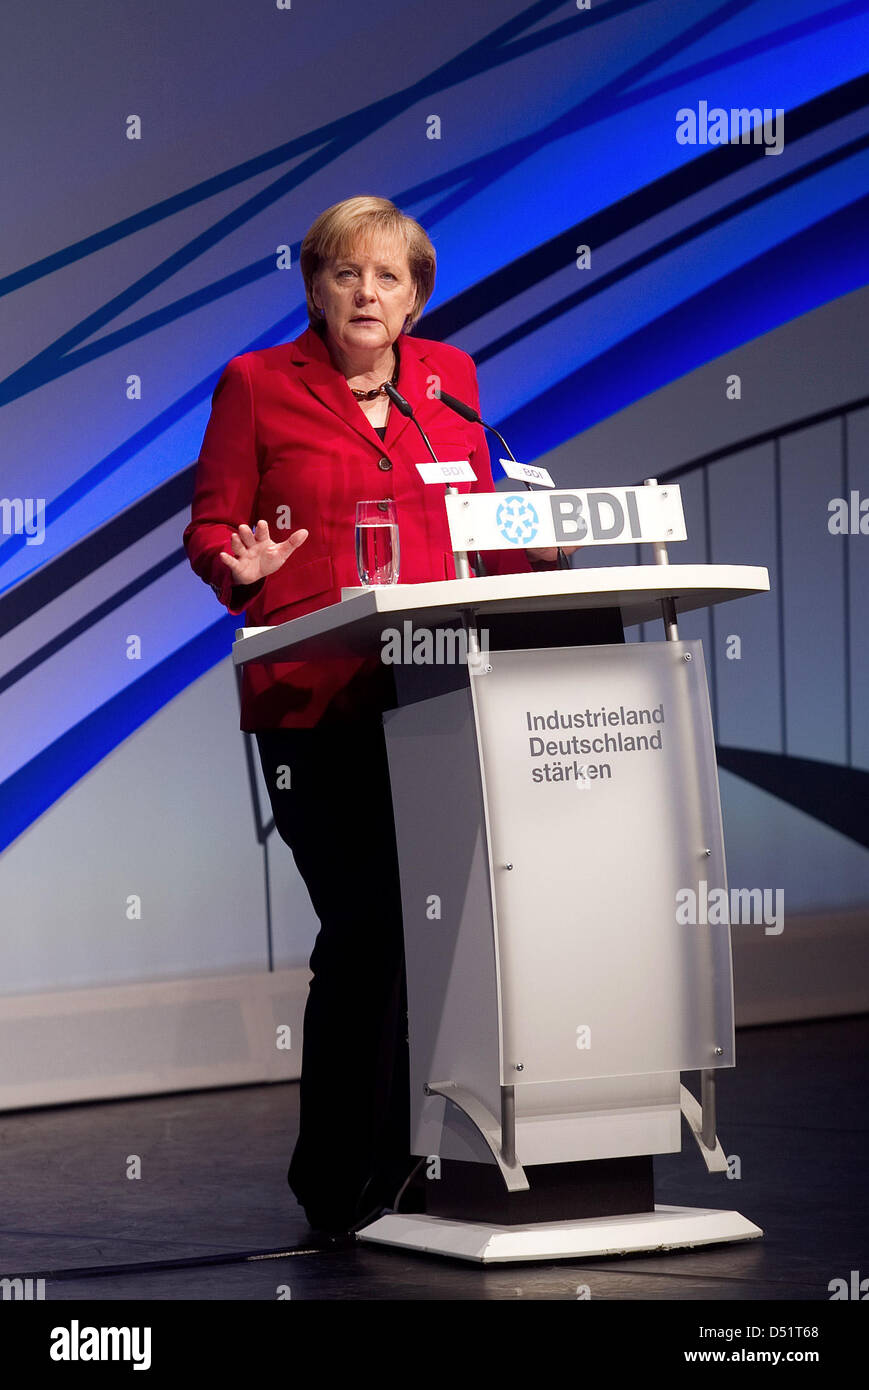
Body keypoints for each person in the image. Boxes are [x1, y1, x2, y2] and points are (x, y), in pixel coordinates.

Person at [183, 195, 566, 1234]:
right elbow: (212, 524)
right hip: (313, 698)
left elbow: (478, 516)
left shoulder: (450, 378)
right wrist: (237, 562)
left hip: (439, 687)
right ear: (313, 287)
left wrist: (547, 546)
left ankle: (414, 1160)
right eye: (345, 273)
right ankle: (338, 1175)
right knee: (367, 925)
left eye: (387, 277)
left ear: (414, 299)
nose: (366, 292)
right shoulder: (257, 383)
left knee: (436, 930)